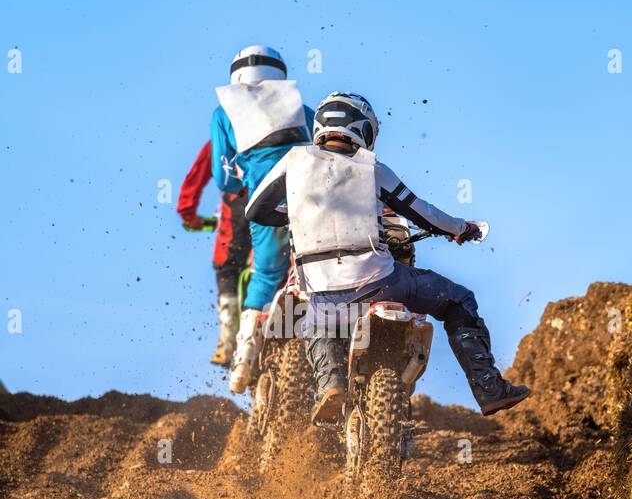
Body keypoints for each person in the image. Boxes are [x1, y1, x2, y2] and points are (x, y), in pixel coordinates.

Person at [245, 90, 531, 423]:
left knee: (317, 319)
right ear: (365, 129)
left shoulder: (292, 161)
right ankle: (489, 388)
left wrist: (298, 214)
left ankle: (331, 384)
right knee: (458, 299)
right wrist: (460, 229)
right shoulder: (370, 168)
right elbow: (421, 213)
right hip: (380, 283)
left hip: (322, 292)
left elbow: (256, 210)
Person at [211, 44, 314, 392]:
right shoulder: (303, 110)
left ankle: (242, 362)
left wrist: (240, 186)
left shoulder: (224, 112)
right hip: (314, 202)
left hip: (264, 202)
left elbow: (222, 173)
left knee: (267, 273)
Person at [177, 142, 251, 366]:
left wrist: (190, 215)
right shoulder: (287, 126)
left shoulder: (223, 138)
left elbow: (194, 179)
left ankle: (228, 340)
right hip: (281, 209)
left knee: (226, 266)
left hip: (237, 209)